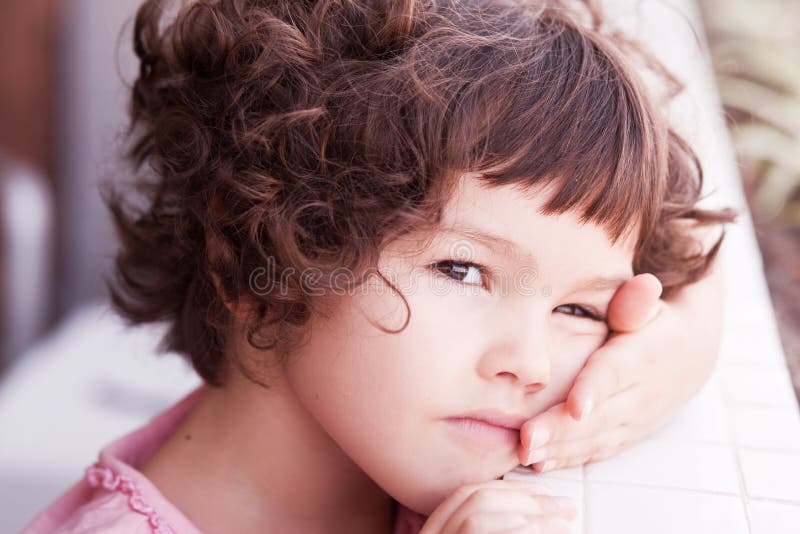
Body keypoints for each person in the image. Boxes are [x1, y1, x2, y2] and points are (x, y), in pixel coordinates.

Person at [24, 0, 738, 532]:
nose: (531, 363)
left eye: (577, 310)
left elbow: (697, 279)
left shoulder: (392, 446)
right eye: (462, 272)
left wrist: (684, 348)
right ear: (252, 265)